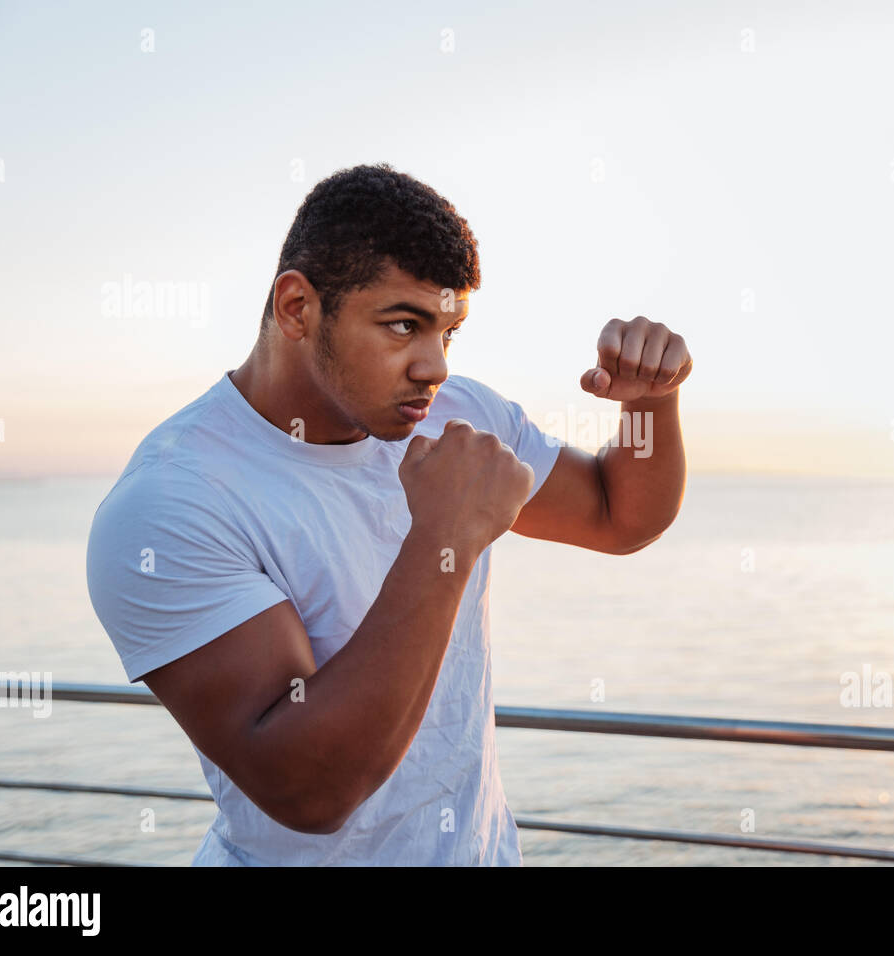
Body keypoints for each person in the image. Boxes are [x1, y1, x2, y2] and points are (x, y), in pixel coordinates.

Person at [85, 162, 692, 865]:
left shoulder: (462, 415)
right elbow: (312, 790)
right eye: (403, 325)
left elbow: (622, 517)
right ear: (296, 308)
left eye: (448, 331)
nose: (434, 366)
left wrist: (651, 401)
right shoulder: (172, 501)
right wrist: (445, 538)